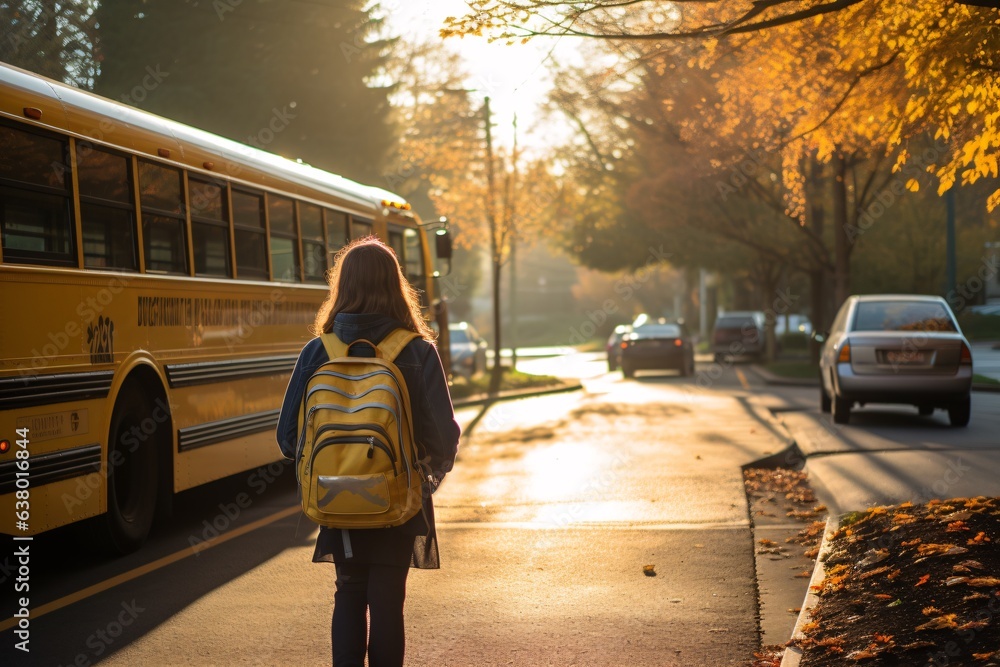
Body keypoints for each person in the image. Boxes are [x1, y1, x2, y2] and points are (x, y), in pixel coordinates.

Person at [276, 236, 460, 667]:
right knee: (387, 602)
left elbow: (287, 437)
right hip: (398, 497)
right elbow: (444, 437)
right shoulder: (417, 350)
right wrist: (425, 478)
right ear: (396, 285)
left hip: (336, 494)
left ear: (343, 286)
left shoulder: (318, 350)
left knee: (349, 592)